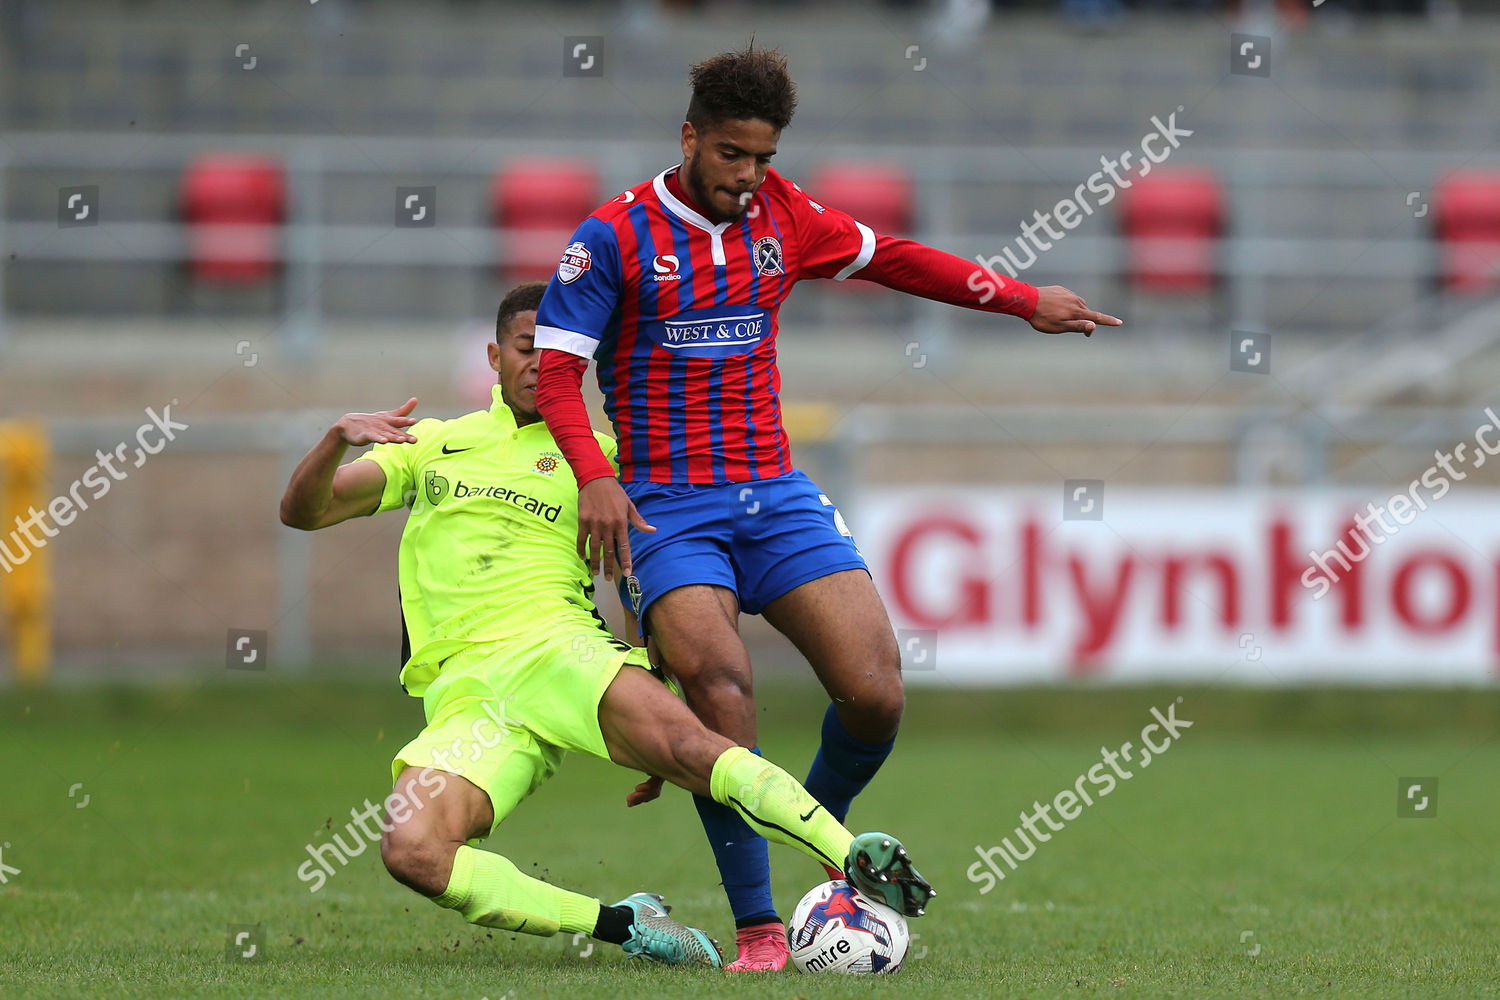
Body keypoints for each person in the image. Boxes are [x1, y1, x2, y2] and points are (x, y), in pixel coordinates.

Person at [531, 45, 1120, 970]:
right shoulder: (611, 238)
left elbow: (899, 261)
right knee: (722, 687)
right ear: (689, 138)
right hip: (663, 508)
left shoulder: (785, 215)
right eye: (732, 155)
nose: (749, 176)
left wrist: (1019, 300)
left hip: (776, 496)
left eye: (763, 157)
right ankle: (761, 928)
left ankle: (823, 846)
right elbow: (560, 374)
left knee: (876, 689)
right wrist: (594, 477)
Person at [278, 281, 934, 969]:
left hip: (562, 655)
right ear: (495, 355)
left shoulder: (603, 458)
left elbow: (644, 567)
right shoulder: (431, 446)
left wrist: (654, 674)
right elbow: (306, 511)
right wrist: (333, 441)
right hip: (468, 699)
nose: (540, 363)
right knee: (411, 851)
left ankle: (849, 855)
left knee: (693, 748)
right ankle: (626, 924)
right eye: (528, 348)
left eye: (559, 352)